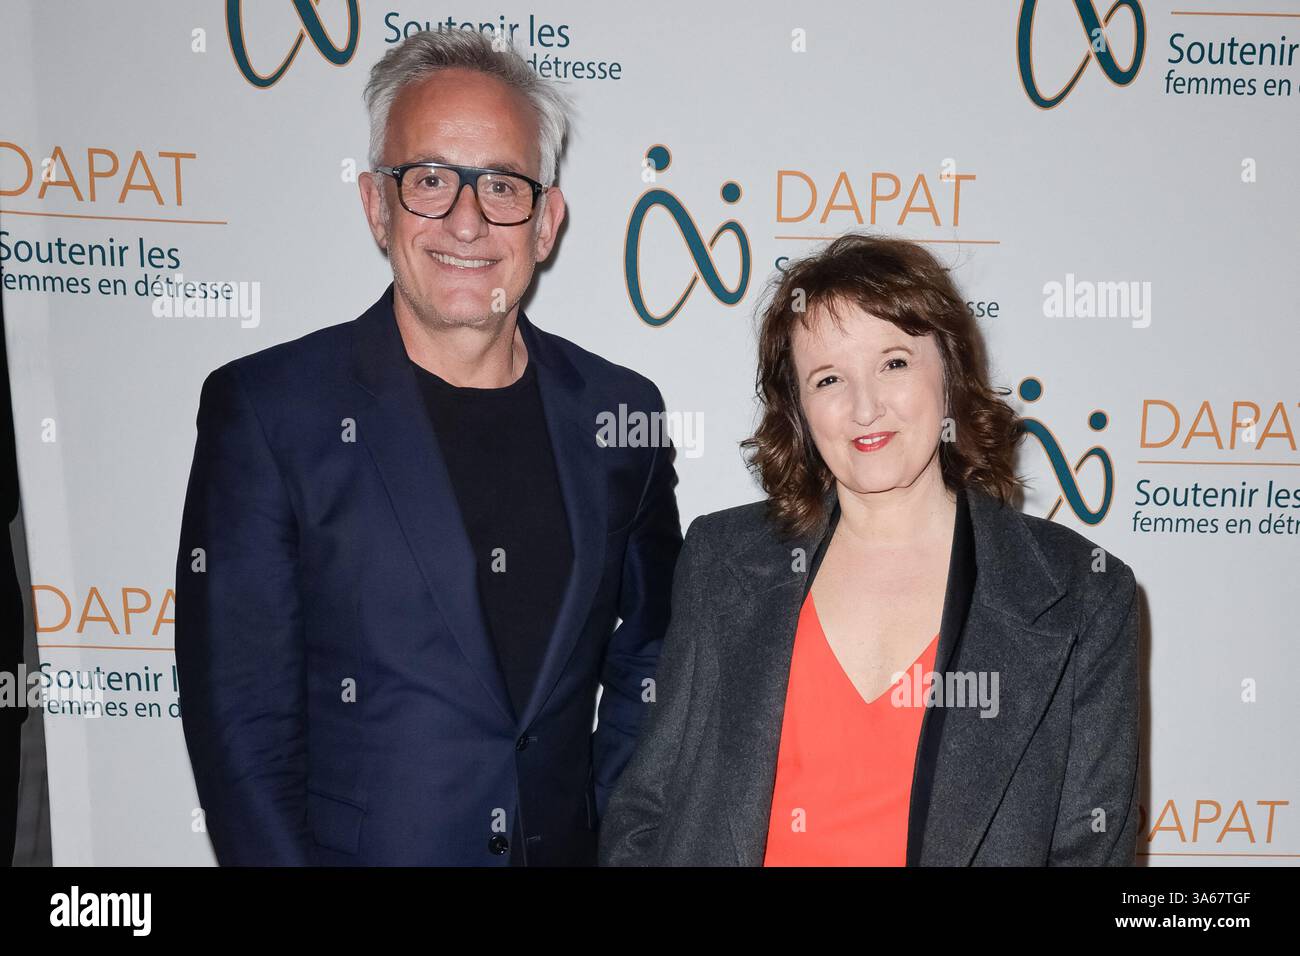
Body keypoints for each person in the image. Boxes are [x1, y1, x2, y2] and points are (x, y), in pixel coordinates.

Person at [175, 29, 681, 866]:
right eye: (432, 180)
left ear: (547, 221)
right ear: (377, 204)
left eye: (504, 186)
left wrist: (607, 832)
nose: (468, 220)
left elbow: (651, 659)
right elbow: (241, 721)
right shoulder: (269, 413)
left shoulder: (620, 412)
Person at [599, 233, 1141, 866]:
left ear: (951, 373)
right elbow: (648, 806)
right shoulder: (723, 559)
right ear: (798, 410)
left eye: (895, 362)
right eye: (829, 378)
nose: (865, 407)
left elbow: (1090, 852)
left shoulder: (1081, 593)